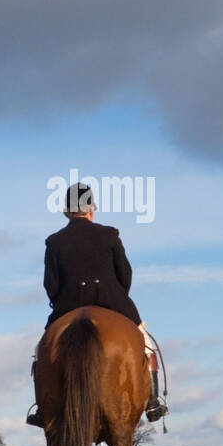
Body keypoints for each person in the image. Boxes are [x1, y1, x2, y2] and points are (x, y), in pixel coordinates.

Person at [27, 183, 167, 427]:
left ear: (66, 212)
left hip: (67, 306)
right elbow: (125, 274)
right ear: (92, 210)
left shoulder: (54, 242)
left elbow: (50, 284)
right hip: (112, 301)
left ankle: (42, 409)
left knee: (42, 351)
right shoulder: (109, 235)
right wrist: (116, 297)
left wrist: (62, 301)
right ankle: (153, 401)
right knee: (146, 345)